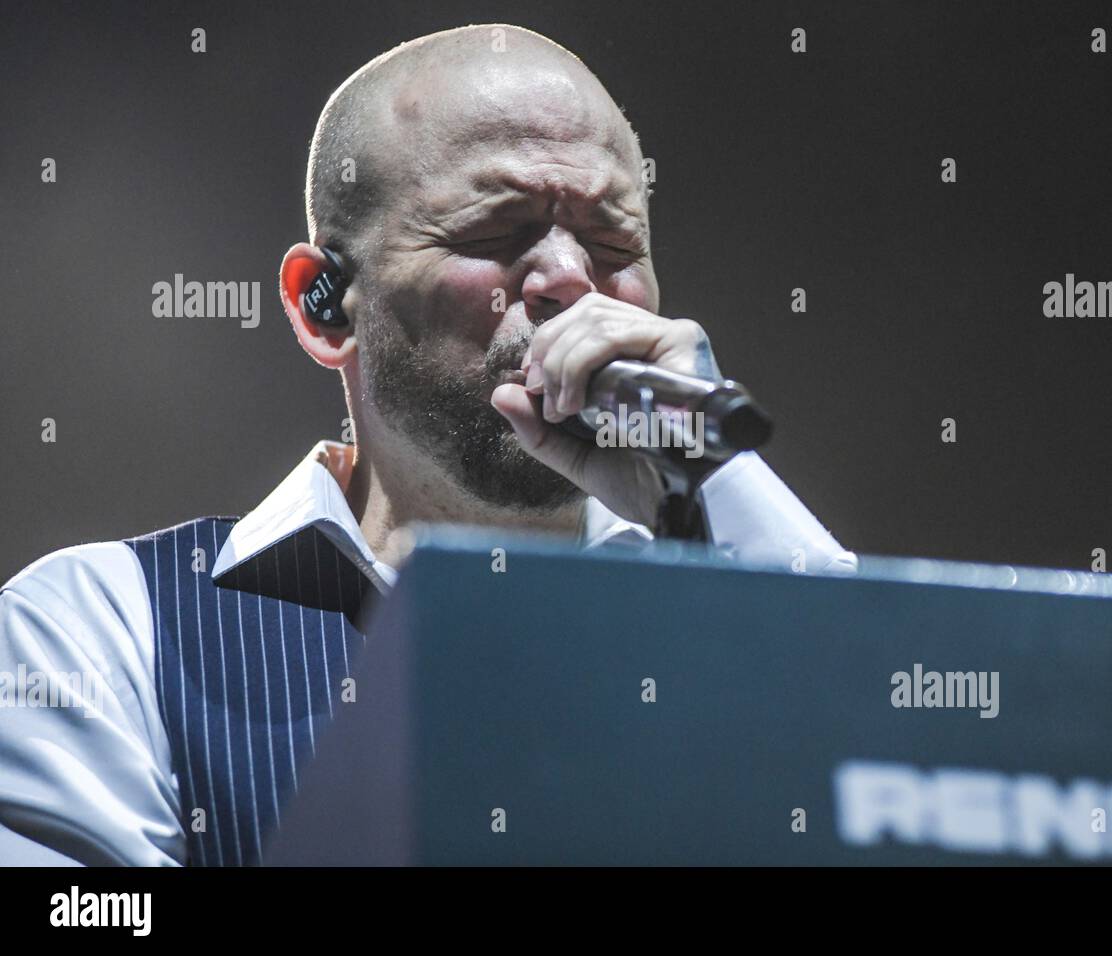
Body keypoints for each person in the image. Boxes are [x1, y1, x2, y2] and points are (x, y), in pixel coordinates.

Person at [0, 24, 854, 866]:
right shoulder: (100, 633)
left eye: (613, 241)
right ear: (324, 303)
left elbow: (916, 787)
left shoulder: (724, 609)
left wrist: (720, 485)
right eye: (493, 233)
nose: (568, 278)